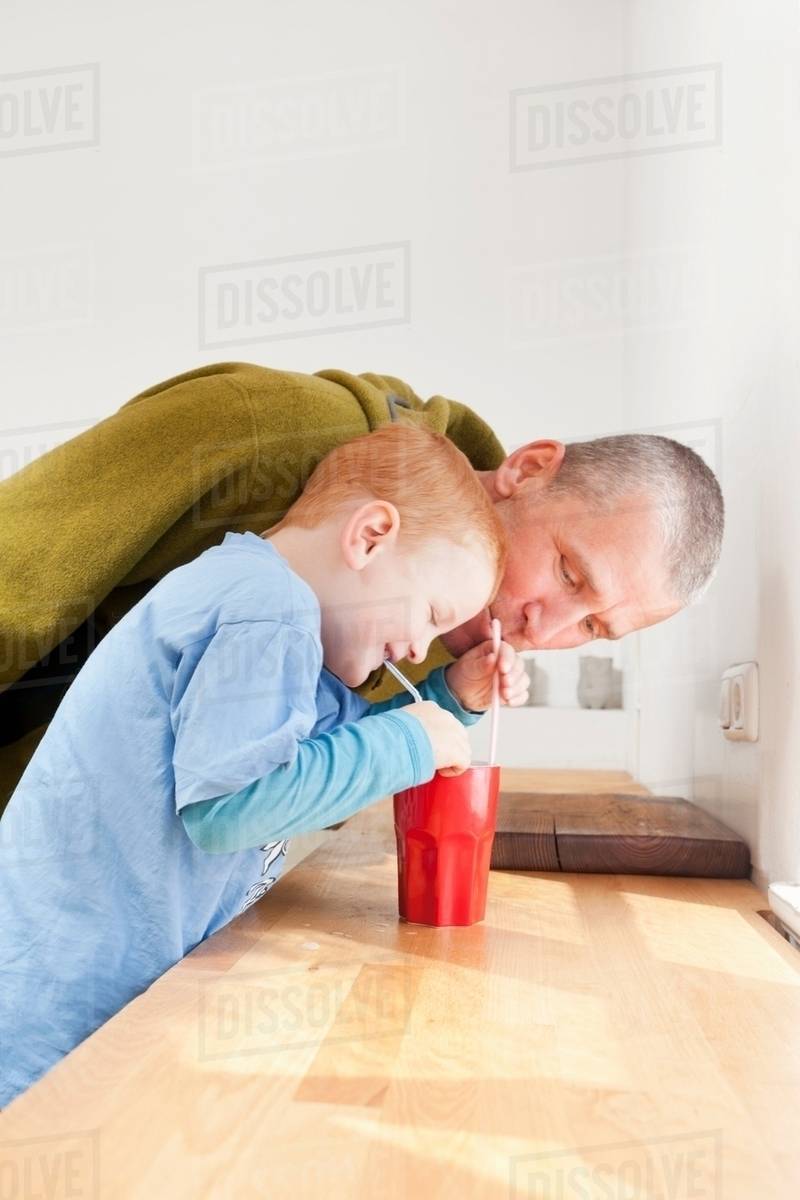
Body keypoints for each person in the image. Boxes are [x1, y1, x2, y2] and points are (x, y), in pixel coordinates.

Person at [0, 424, 529, 1107]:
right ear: (369, 536)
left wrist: (448, 700)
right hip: (58, 999)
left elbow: (323, 768)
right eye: (430, 613)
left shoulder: (265, 611)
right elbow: (233, 806)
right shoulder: (266, 610)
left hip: (77, 983)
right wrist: (413, 740)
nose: (419, 645)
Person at [0, 361, 725, 811]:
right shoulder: (267, 429)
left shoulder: (423, 624)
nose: (545, 629)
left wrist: (446, 706)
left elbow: (290, 772)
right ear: (529, 469)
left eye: (592, 628)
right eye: (569, 572)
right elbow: (16, 570)